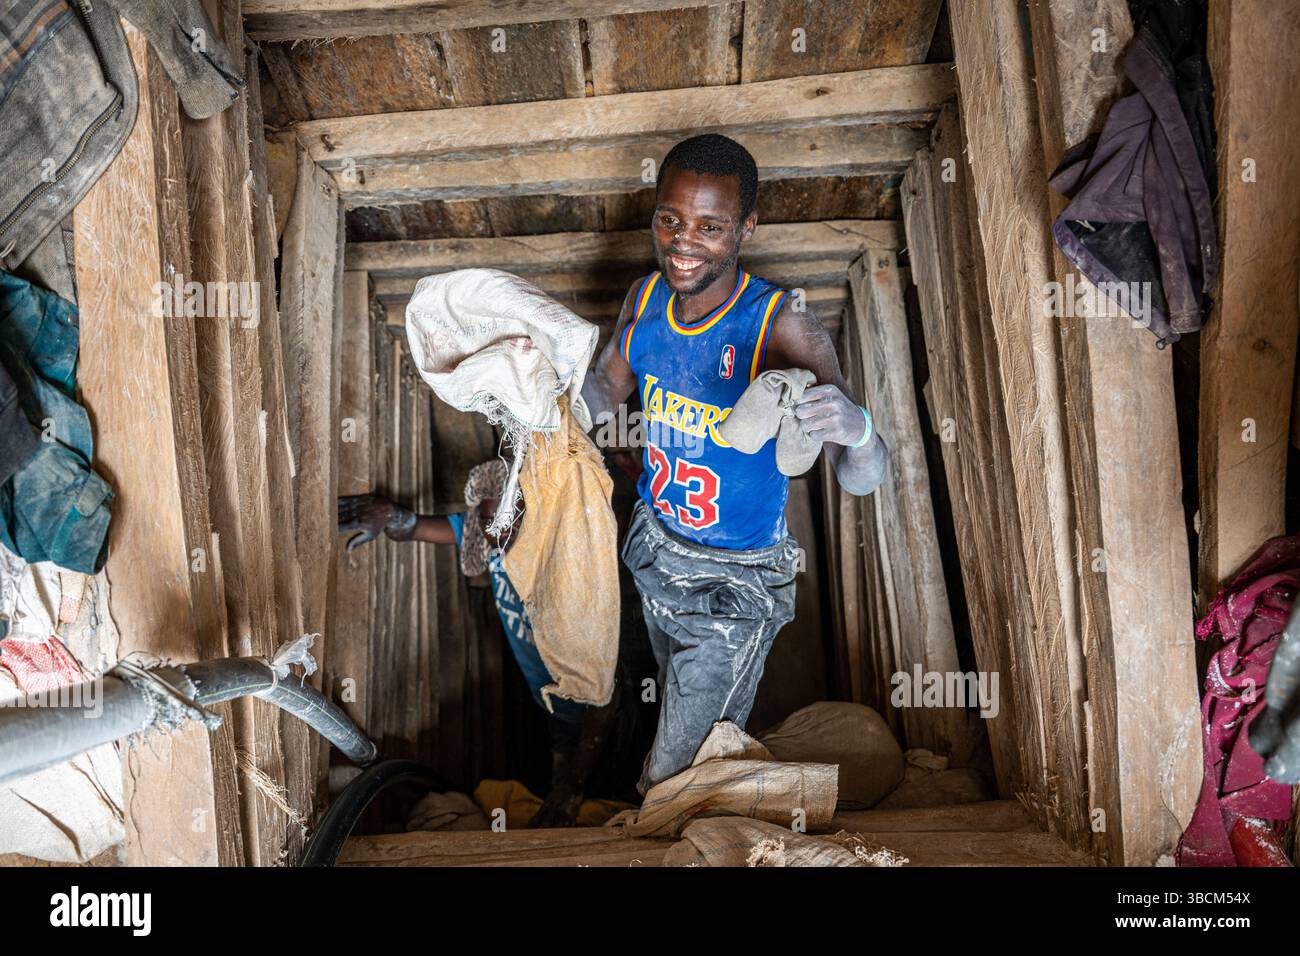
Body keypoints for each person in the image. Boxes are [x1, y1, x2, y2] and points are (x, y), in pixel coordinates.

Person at [580, 133, 889, 793]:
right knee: (666, 698)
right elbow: (604, 393)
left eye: (711, 227)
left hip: (733, 587)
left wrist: (858, 429)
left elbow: (856, 478)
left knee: (679, 779)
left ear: (747, 227)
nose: (684, 242)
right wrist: (538, 389)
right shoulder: (644, 299)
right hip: (656, 551)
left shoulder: (784, 328)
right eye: (670, 219)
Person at [337, 460, 621, 827]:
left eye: (509, 520)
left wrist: (571, 788)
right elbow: (418, 527)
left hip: (597, 719)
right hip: (556, 711)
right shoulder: (487, 538)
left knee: (597, 800)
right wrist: (392, 516)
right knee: (561, 805)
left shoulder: (565, 568)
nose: (499, 533)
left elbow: (606, 698)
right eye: (489, 522)